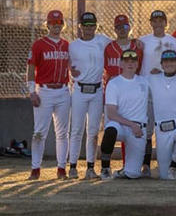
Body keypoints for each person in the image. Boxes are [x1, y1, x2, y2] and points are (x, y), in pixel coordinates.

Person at [67, 12, 113, 179]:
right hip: (79, 90)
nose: (88, 29)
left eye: (91, 25)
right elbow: (65, 60)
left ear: (96, 26)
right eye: (85, 25)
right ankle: (72, 166)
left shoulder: (103, 41)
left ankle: (90, 167)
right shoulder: (73, 46)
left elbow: (119, 45)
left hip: (96, 90)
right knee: (76, 130)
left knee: (93, 131)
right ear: (80, 27)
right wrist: (69, 70)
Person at [26, 10, 71, 180]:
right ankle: (35, 168)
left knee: (62, 133)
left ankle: (61, 169)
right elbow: (30, 68)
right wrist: (31, 91)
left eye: (59, 23)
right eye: (53, 23)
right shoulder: (39, 44)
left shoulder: (67, 44)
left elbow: (73, 67)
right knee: (39, 132)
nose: (56, 26)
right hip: (43, 91)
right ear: (47, 25)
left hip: (63, 90)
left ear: (62, 24)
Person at [139, 9, 176, 176]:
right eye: (154, 20)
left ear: (165, 22)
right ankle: (146, 164)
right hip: (147, 88)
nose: (158, 23)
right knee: (147, 128)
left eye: (161, 20)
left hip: (166, 88)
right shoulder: (143, 41)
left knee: (167, 125)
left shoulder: (173, 41)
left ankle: (172, 163)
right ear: (151, 22)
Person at [99, 49, 149, 180]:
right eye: (126, 61)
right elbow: (111, 113)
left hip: (138, 129)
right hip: (120, 125)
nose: (130, 64)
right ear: (120, 64)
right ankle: (105, 167)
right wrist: (131, 124)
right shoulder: (114, 83)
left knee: (133, 174)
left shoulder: (145, 82)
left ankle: (123, 172)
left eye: (133, 61)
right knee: (110, 130)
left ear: (138, 64)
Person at [146, 50, 176, 180]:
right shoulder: (153, 78)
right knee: (164, 175)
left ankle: (174, 165)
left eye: (172, 61)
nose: (169, 64)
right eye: (166, 62)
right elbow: (135, 82)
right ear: (161, 65)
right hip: (161, 128)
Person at [104, 14, 143, 82]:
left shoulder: (137, 47)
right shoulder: (109, 48)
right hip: (114, 86)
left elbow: (140, 68)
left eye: (125, 26)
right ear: (115, 30)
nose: (122, 29)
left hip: (132, 85)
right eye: (119, 27)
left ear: (129, 28)